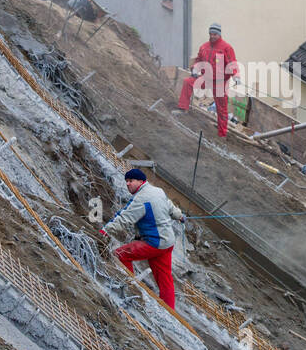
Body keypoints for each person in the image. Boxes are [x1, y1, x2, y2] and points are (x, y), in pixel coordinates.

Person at [100, 168, 185, 309]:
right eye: (126, 181)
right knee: (165, 280)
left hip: (154, 242)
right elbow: (170, 207)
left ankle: (129, 288)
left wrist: (105, 231)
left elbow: (125, 219)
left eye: (131, 181)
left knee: (121, 254)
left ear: (141, 181)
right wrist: (180, 216)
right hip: (167, 242)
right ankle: (169, 310)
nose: (128, 184)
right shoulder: (158, 191)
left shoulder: (142, 199)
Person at [176, 22, 239, 137]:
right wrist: (195, 69)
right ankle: (182, 109)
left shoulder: (226, 48)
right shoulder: (204, 47)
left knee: (221, 108)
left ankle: (222, 133)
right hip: (206, 78)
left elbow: (232, 64)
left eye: (215, 34)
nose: (212, 36)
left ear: (219, 34)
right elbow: (198, 60)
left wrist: (236, 76)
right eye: (211, 34)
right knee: (188, 82)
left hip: (220, 82)